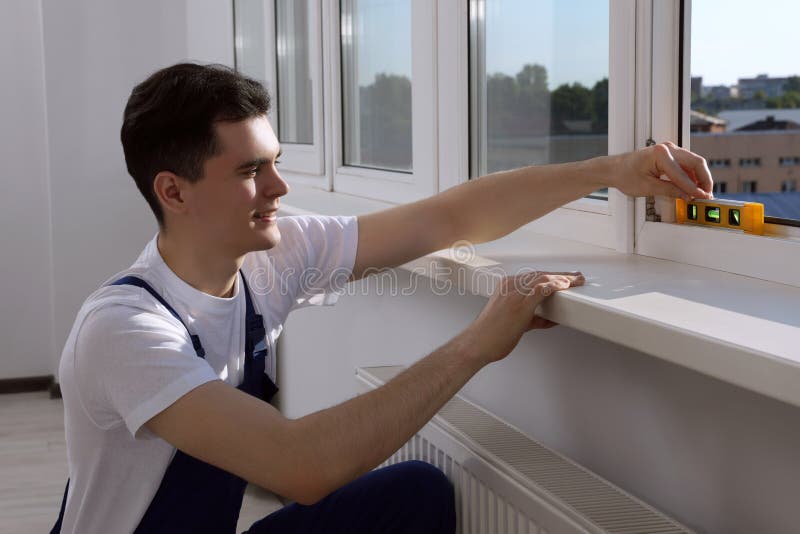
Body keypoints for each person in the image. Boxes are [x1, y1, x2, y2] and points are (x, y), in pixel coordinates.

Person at [51, 63, 712, 533]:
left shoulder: (270, 262)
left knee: (414, 496)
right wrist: (478, 344)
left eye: (275, 161)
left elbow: (445, 220)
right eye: (252, 172)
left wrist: (611, 172)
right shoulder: (126, 331)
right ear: (174, 192)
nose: (279, 187)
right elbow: (302, 465)